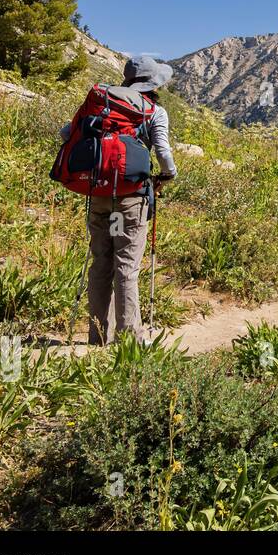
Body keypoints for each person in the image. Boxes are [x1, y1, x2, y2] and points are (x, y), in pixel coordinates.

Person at [60, 55, 177, 344]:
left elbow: (66, 133)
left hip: (100, 196)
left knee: (102, 262)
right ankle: (130, 340)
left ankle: (98, 336)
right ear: (154, 83)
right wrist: (167, 175)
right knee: (126, 265)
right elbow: (162, 151)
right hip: (130, 200)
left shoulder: (104, 104)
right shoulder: (153, 111)